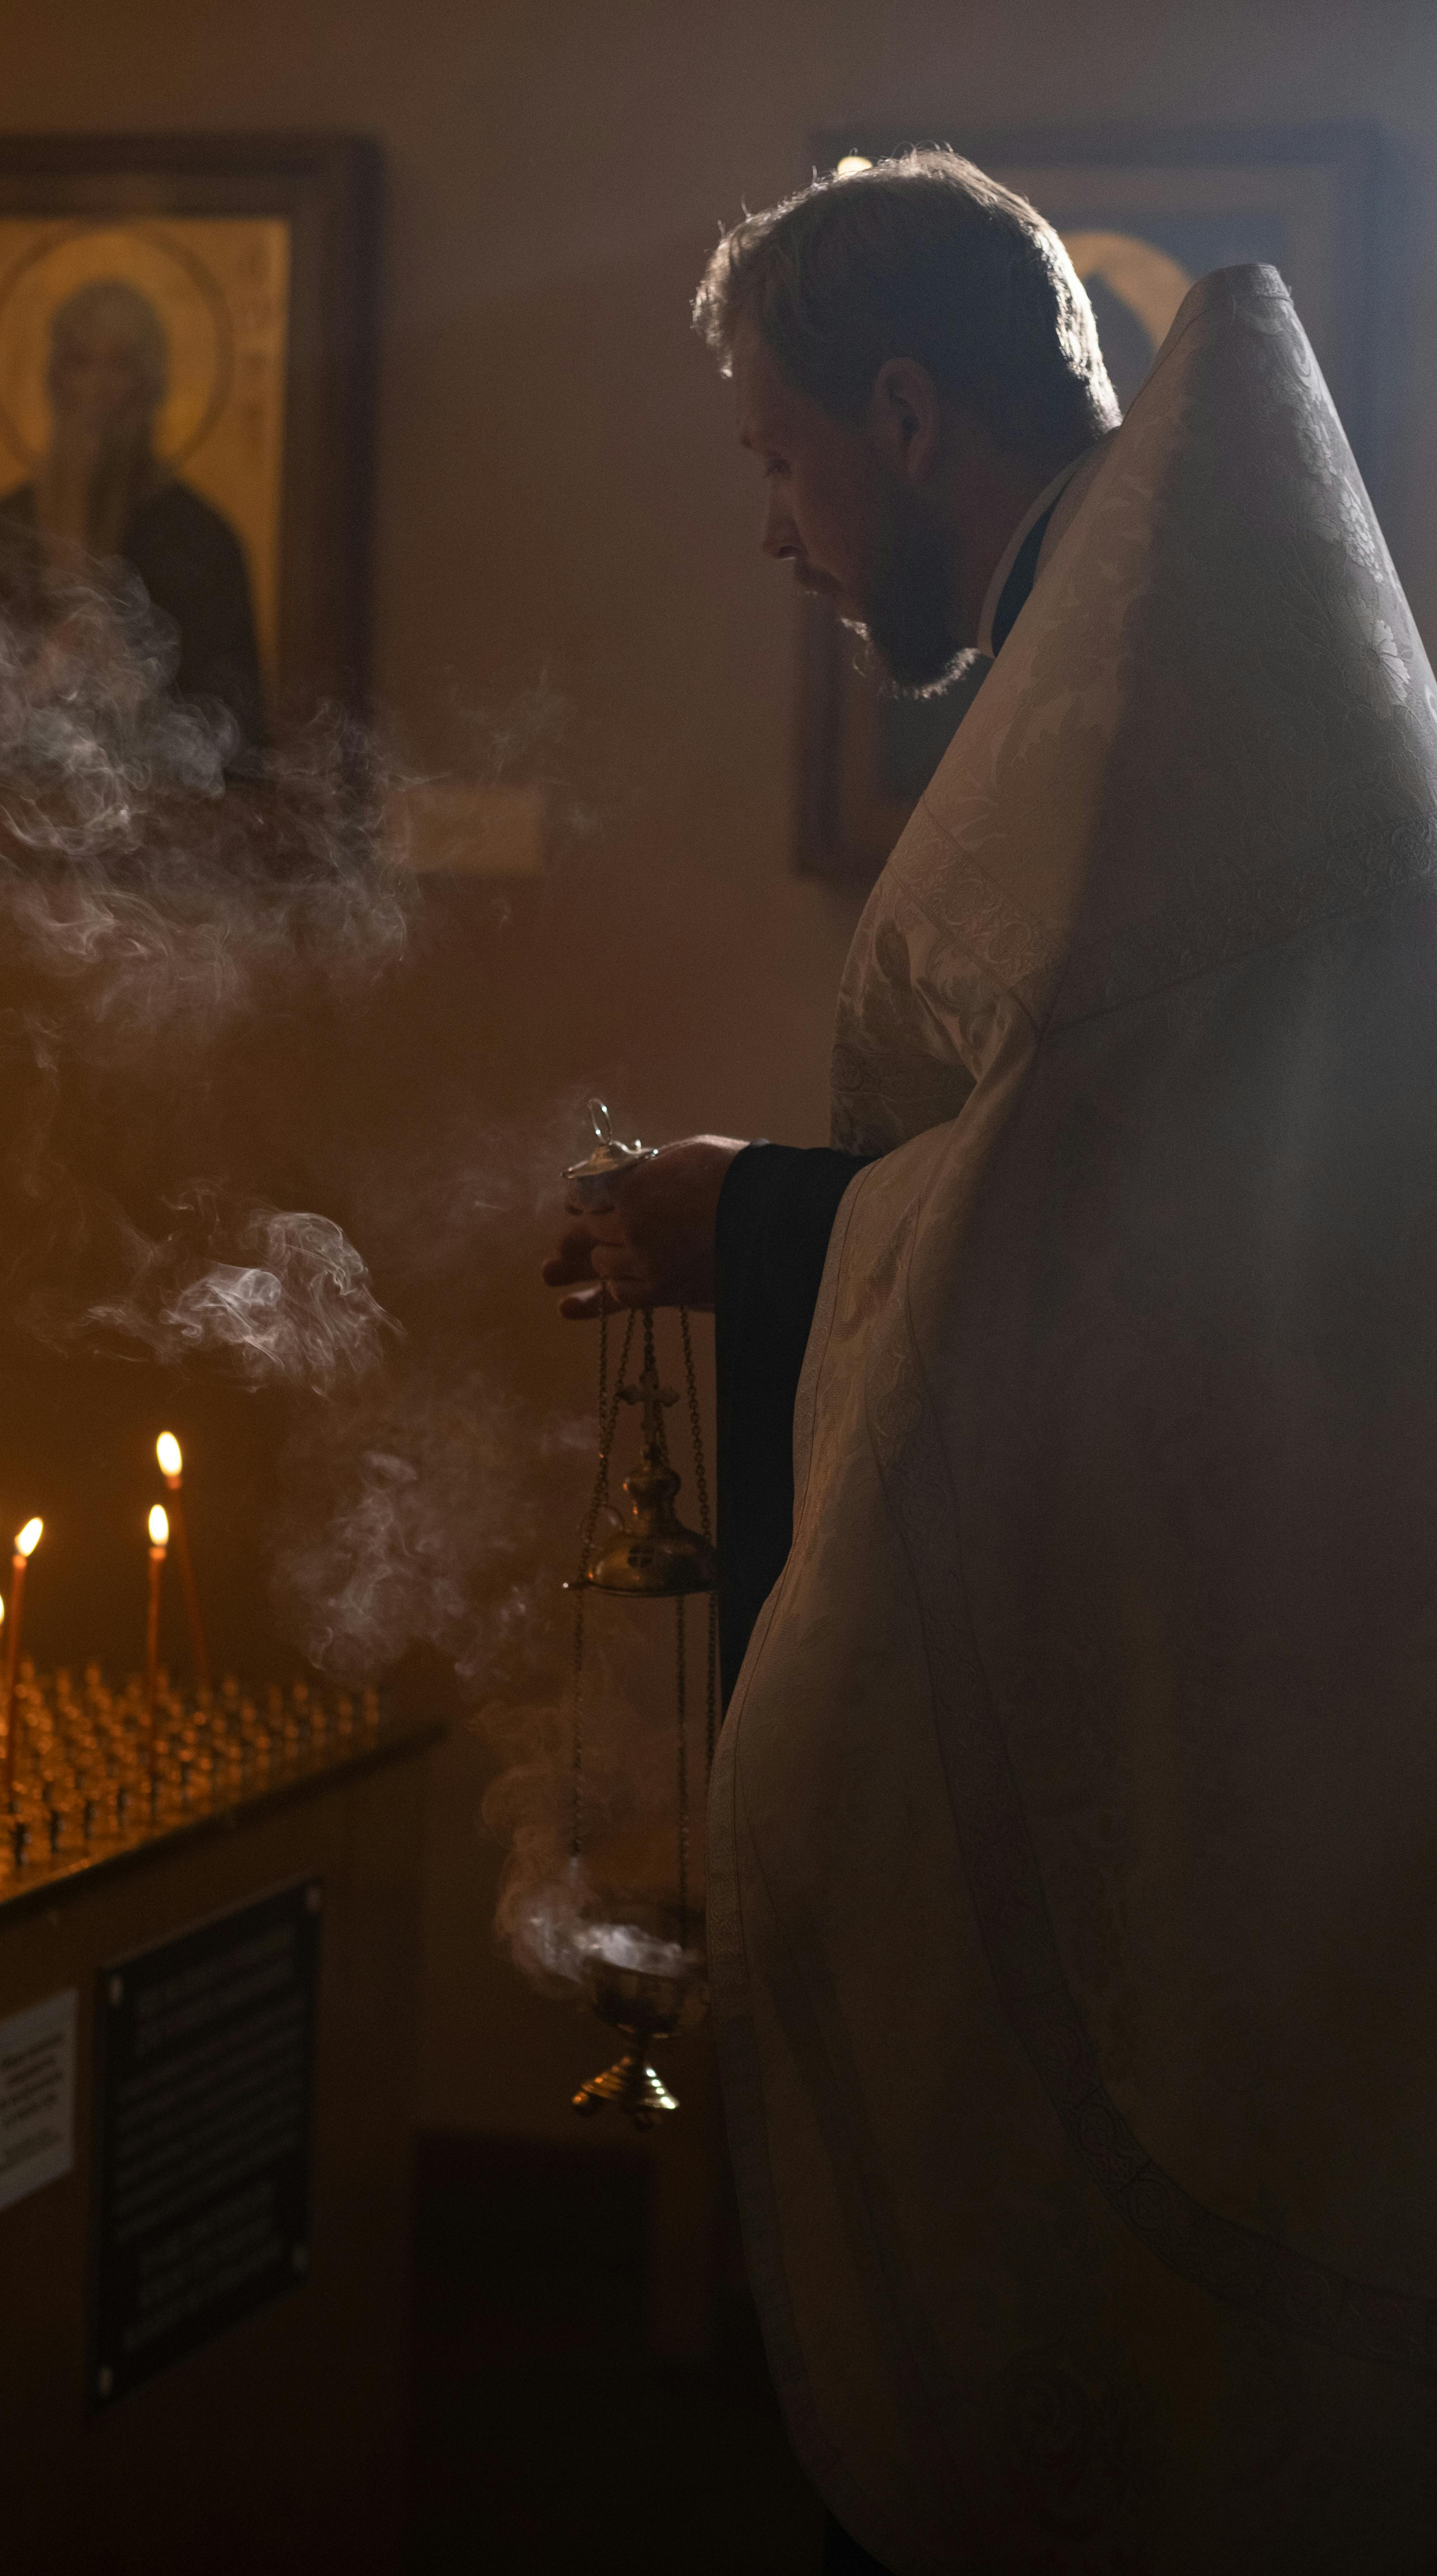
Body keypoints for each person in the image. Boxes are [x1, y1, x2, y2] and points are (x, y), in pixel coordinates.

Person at [543, 149, 1437, 2569]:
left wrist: (745, 1224)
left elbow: (1134, 1254)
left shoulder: (1142, 696)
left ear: (908, 418)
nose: (775, 533)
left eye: (777, 458)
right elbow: (1085, 1172)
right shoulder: (1120, 655)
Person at [0, 277, 266, 772]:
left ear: (152, 383)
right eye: (80, 361)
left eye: (121, 364)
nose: (97, 388)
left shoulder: (201, 542)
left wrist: (134, 684)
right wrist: (37, 682)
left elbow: (236, 732)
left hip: (168, 827)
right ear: (54, 378)